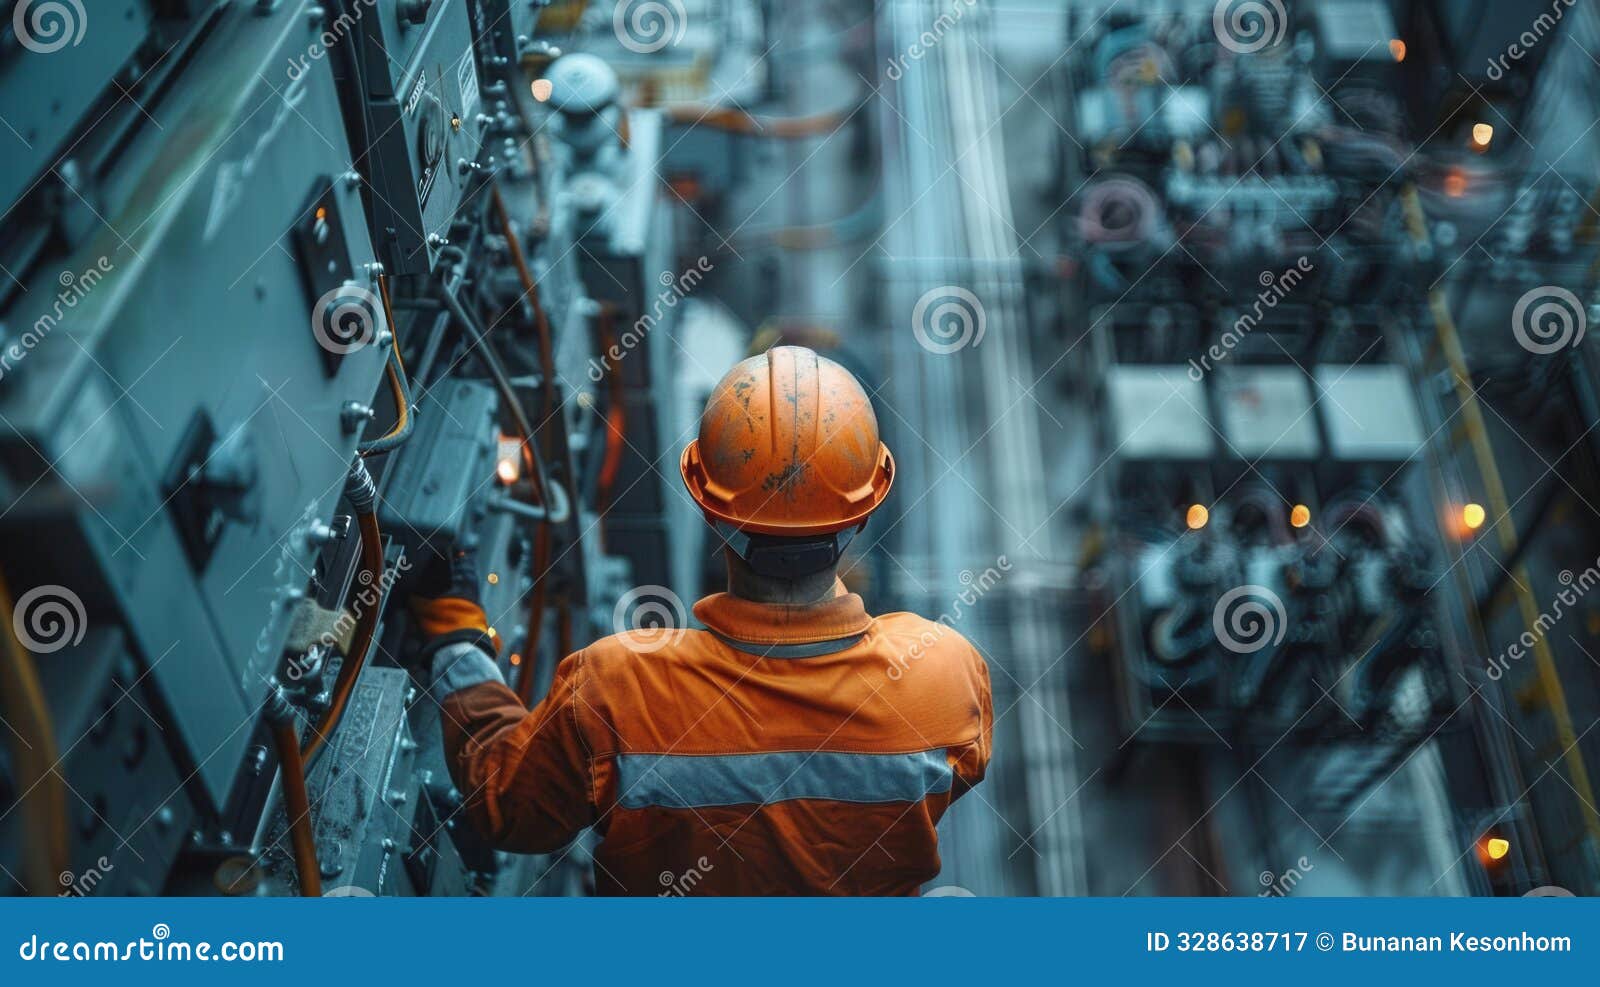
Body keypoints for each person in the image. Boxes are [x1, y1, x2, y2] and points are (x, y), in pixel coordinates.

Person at [411, 345, 993, 895]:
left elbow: (509, 809)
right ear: (861, 517)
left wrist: (457, 638)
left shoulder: (616, 687)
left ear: (711, 514)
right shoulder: (944, 675)